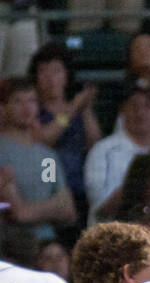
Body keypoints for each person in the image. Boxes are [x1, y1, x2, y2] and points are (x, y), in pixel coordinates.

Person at [83, 80, 150, 228]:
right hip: (115, 235)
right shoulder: (102, 151)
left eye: (147, 106)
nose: (140, 113)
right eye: (133, 106)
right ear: (122, 110)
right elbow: (102, 208)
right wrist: (147, 170)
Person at [0, 78, 77, 266]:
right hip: (11, 247)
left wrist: (31, 210)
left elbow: (67, 211)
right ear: (4, 107)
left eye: (32, 100)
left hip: (47, 246)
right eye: (18, 101)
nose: (26, 107)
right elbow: (19, 213)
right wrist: (52, 207)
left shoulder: (46, 156)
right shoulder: (2, 151)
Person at [30, 42, 101, 229]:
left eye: (56, 71)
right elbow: (45, 140)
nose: (50, 78)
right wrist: (73, 109)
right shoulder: (32, 111)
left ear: (66, 76)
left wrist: (86, 109)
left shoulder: (78, 109)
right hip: (48, 187)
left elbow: (95, 144)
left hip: (79, 188)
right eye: (43, 72)